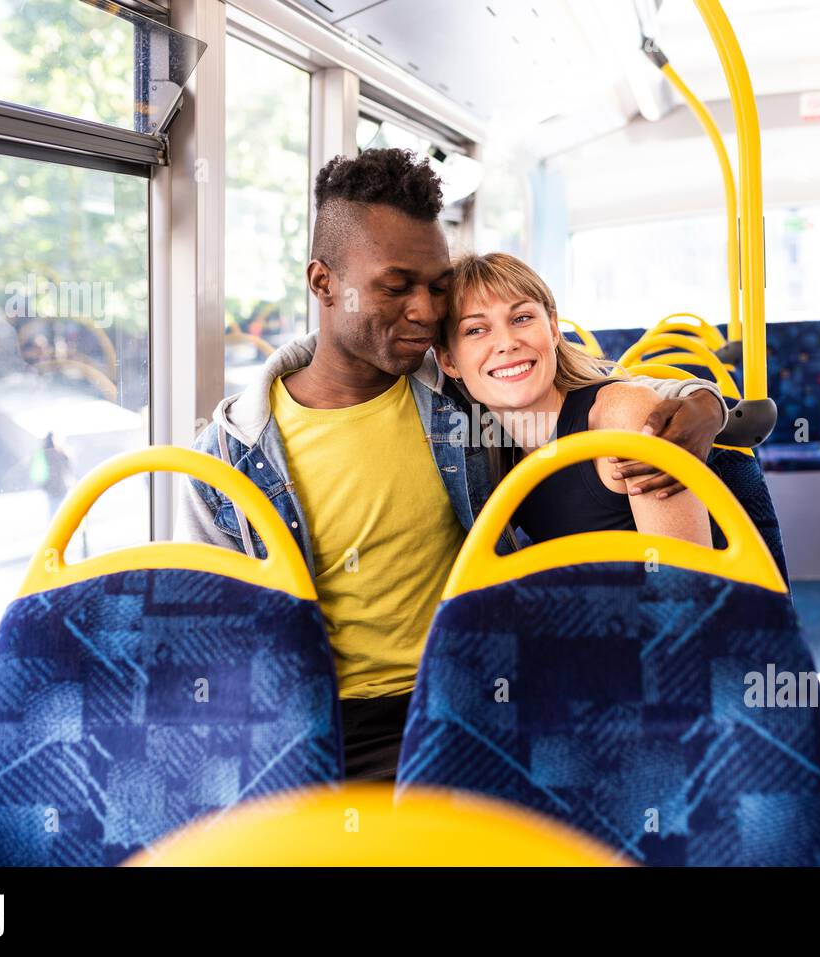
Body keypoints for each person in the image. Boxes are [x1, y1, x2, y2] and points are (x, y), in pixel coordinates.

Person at [176, 148, 729, 781]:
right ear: (323, 282)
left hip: (476, 692)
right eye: (395, 286)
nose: (424, 309)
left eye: (437, 288)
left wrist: (701, 401)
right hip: (315, 722)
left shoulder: (453, 401)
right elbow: (216, 634)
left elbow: (597, 394)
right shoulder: (231, 458)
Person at [436, 252, 713, 549]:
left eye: (522, 318)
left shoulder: (621, 415)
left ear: (553, 329)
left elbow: (683, 582)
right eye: (476, 330)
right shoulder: (485, 452)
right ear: (449, 361)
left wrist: (708, 400)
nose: (507, 343)